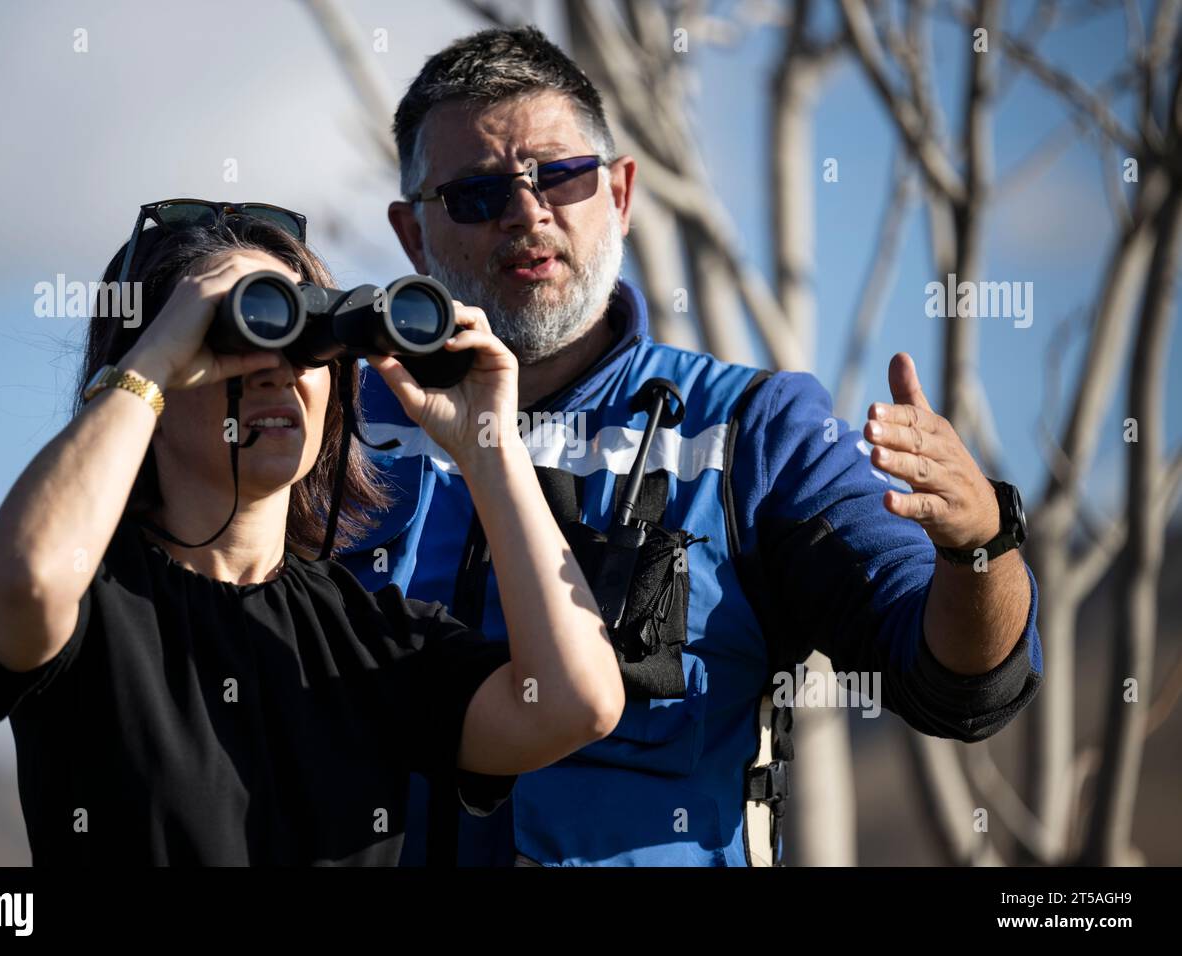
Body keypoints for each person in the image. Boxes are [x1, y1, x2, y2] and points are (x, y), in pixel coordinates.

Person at [339, 26, 1045, 866]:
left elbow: (964, 689)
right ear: (412, 234)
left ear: (623, 193)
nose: (529, 212)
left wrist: (979, 545)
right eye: (477, 195)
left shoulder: (756, 430)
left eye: (562, 175)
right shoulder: (324, 424)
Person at [0, 203, 624, 865]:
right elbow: (24, 579)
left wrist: (488, 446)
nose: (278, 369)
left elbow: (575, 704)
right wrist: (151, 361)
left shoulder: (368, 639)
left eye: (306, 338)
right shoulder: (90, 601)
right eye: (234, 334)